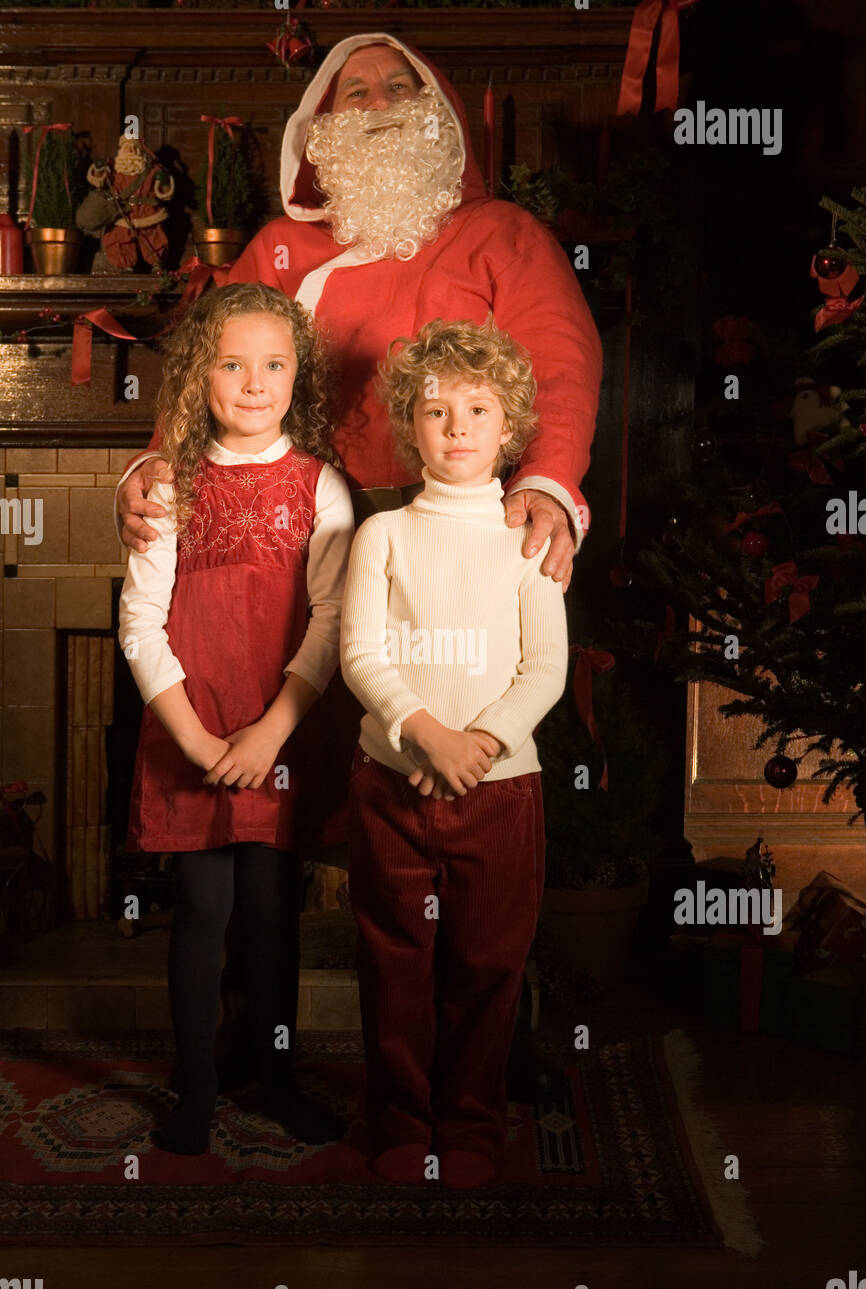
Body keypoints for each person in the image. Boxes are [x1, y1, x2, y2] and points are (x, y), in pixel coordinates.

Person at [114, 32, 602, 1090]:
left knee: (460, 780)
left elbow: (559, 364)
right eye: (353, 91)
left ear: (437, 113)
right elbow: (212, 359)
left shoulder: (499, 234)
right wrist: (155, 469)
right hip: (299, 541)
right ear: (317, 130)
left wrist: (545, 485)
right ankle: (258, 1045)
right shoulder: (280, 251)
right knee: (294, 802)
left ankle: (484, 1049)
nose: (377, 102)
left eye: (397, 86)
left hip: (459, 533)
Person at [118, 282, 355, 1154]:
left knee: (271, 913)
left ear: (298, 376)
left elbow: (332, 622)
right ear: (197, 374)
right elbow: (140, 623)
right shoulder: (165, 487)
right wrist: (197, 741)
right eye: (230, 363)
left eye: (274, 364)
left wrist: (267, 736)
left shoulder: (323, 487)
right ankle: (201, 1086)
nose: (254, 383)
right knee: (203, 912)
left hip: (279, 733)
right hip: (193, 730)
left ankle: (278, 1077)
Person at [341, 317, 567, 1188]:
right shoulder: (383, 535)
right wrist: (423, 732)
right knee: (396, 961)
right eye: (438, 411)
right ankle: (400, 1121)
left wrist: (481, 743)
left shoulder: (528, 540)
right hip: (392, 784)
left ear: (508, 427)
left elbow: (544, 666)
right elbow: (363, 652)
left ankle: (470, 1126)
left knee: (486, 962)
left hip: (501, 793)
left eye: (479, 409)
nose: (460, 425)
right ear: (413, 428)